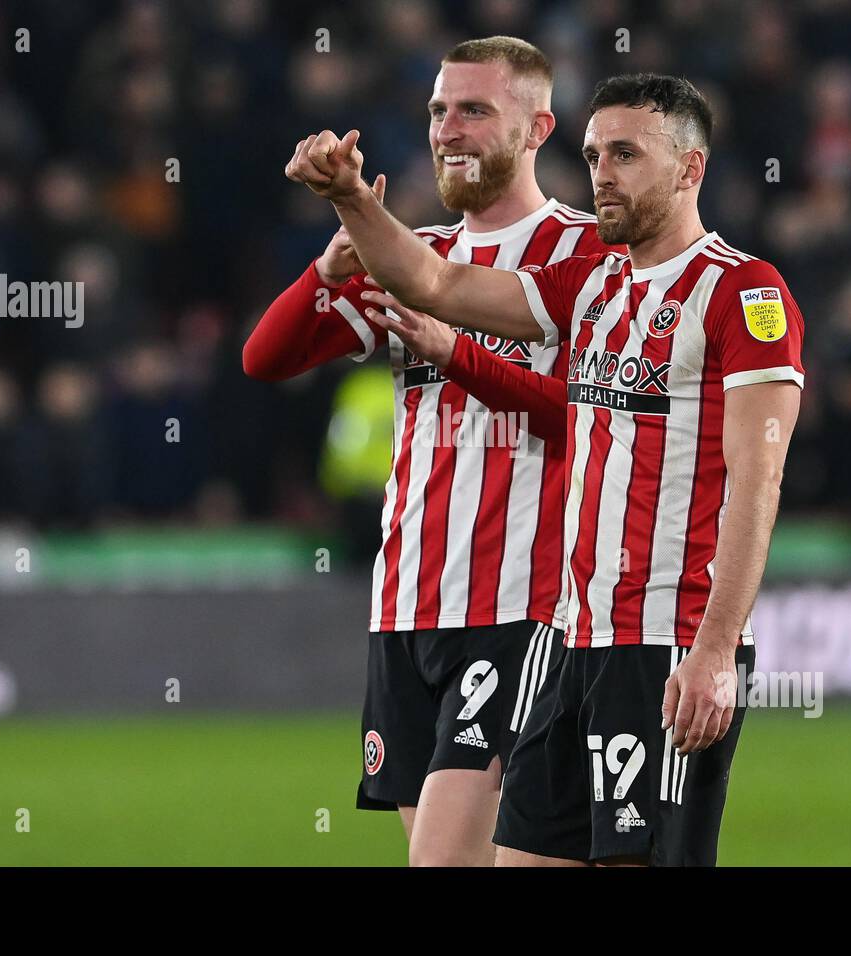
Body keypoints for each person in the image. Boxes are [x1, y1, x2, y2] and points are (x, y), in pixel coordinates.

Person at [285, 73, 805, 866]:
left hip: (661, 640)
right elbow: (435, 283)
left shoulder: (742, 293)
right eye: (595, 153)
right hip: (566, 641)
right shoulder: (593, 282)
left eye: (626, 155)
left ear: (691, 170)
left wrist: (714, 649)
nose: (602, 172)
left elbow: (756, 481)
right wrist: (352, 198)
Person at [244, 37, 616, 865]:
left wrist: (459, 353)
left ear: (536, 128)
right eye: (439, 110)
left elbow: (588, 421)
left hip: (520, 605)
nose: (449, 128)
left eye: (475, 110)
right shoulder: (414, 252)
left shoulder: (586, 255)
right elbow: (265, 359)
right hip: (407, 602)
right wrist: (327, 264)